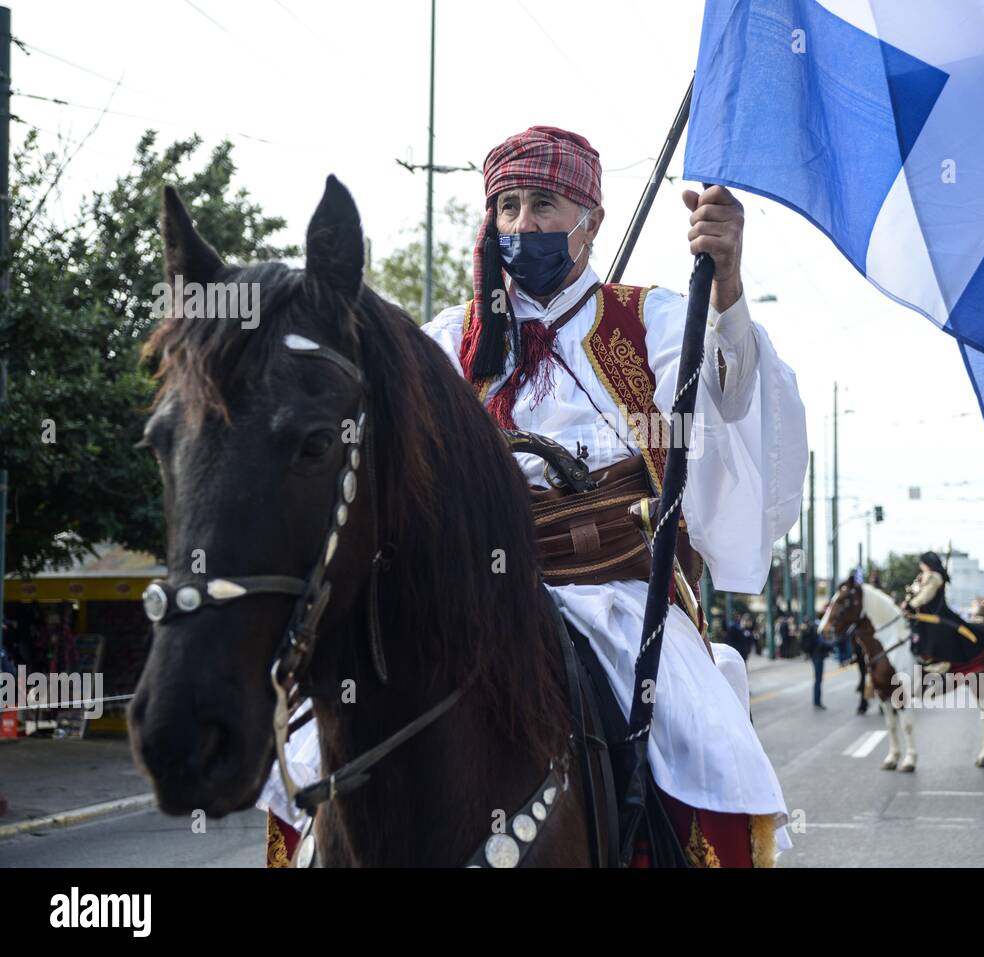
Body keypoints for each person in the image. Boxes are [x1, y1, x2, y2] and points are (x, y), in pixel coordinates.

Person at [260, 126, 808, 867]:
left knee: (711, 747)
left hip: (612, 596)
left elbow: (733, 389)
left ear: (592, 221)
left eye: (543, 204)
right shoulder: (450, 337)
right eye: (507, 206)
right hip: (460, 599)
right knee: (309, 750)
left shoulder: (650, 320)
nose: (522, 224)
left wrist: (729, 283)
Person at [901, 551, 984, 674]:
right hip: (922, 614)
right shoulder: (924, 576)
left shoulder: (934, 576)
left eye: (922, 563)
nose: (920, 566)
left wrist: (911, 605)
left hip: (935, 614)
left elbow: (926, 595)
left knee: (938, 633)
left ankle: (940, 661)